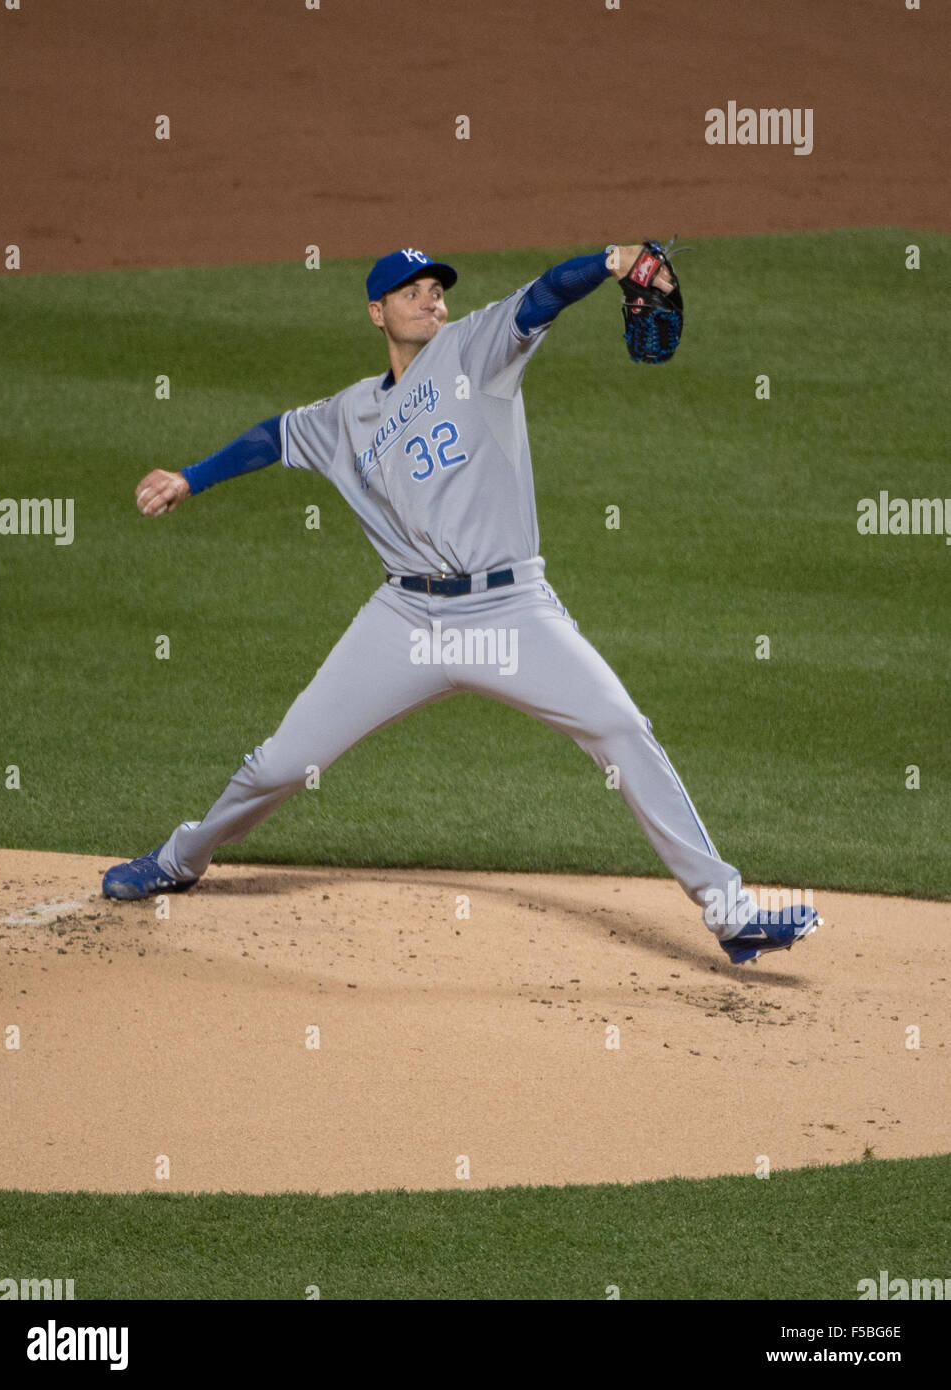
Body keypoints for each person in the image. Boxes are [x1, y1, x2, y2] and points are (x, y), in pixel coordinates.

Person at [102, 245, 819, 965]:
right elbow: (273, 437)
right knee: (283, 763)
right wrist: (191, 478)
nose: (430, 300)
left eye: (436, 290)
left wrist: (609, 261)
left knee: (622, 728)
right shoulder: (348, 413)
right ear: (377, 312)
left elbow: (544, 294)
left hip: (512, 615)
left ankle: (732, 914)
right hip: (406, 621)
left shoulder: (477, 351)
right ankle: (181, 857)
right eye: (411, 292)